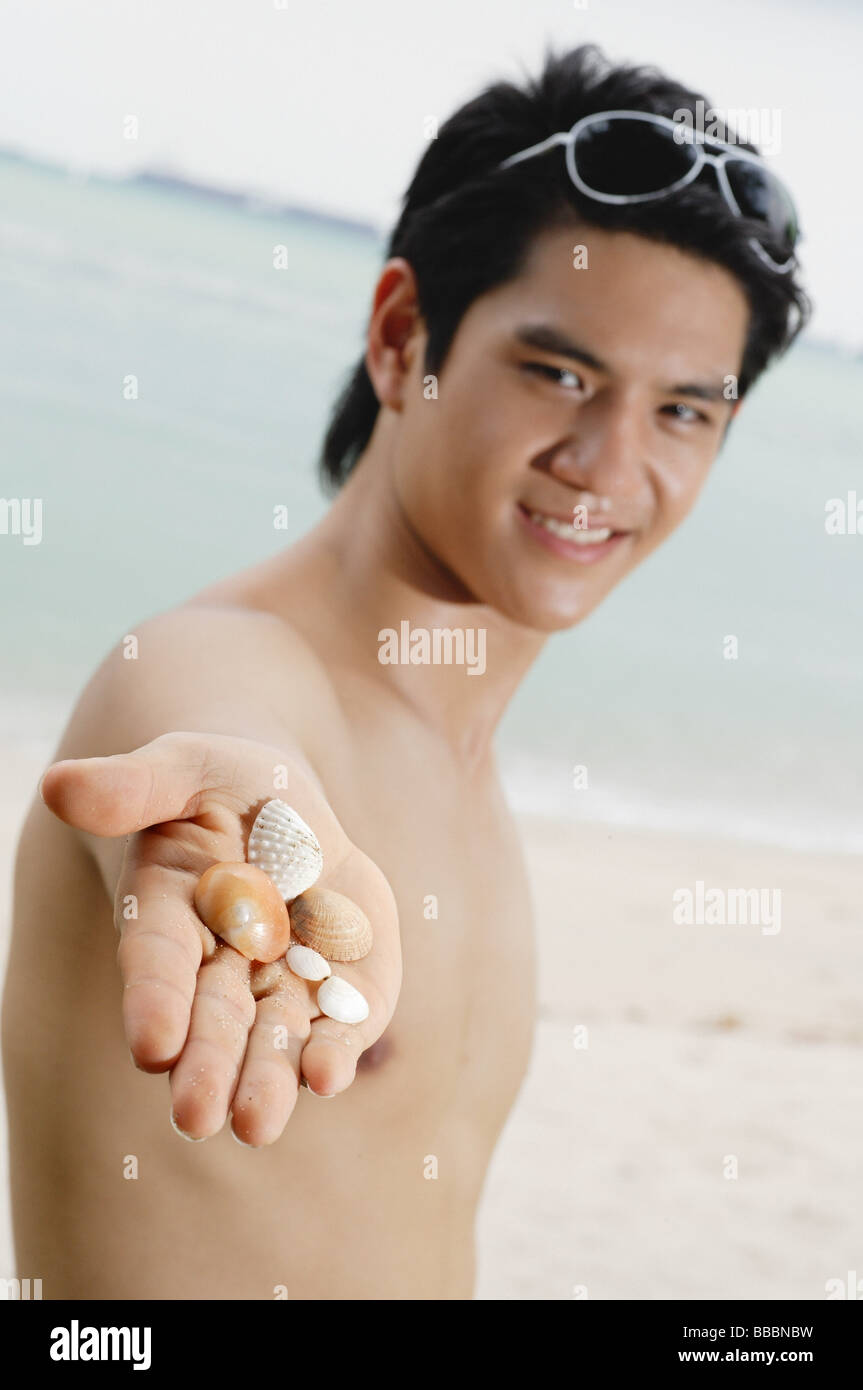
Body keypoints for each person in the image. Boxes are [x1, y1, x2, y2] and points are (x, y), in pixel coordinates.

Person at [2, 43, 808, 1300]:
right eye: (558, 372)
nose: (607, 461)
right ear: (401, 337)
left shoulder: (465, 767)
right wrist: (237, 828)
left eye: (681, 410)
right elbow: (216, 727)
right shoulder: (229, 668)